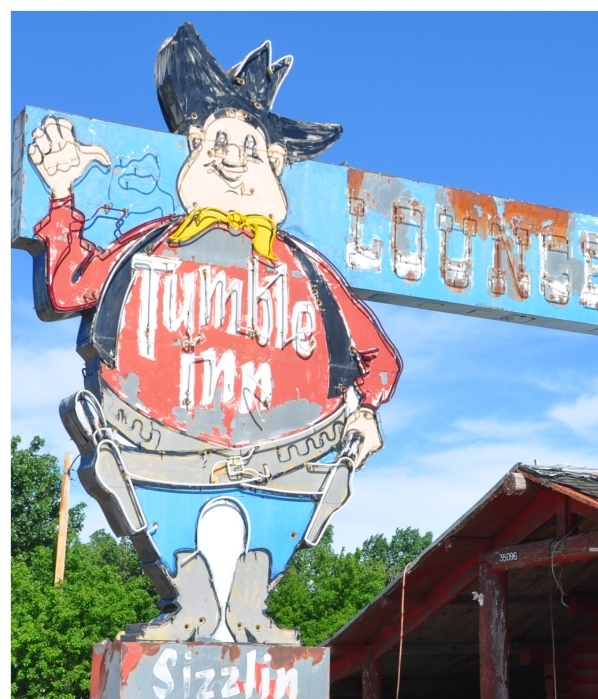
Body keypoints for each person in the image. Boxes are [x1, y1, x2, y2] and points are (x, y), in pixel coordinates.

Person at [23, 23, 401, 643]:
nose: (232, 156)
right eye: (220, 140)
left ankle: (251, 607)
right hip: (151, 442)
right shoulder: (151, 243)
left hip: (293, 458)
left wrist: (363, 408)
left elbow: (377, 356)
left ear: (275, 162)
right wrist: (62, 193)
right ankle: (190, 607)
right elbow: (68, 289)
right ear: (194, 142)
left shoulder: (306, 266)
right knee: (164, 528)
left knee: (275, 535)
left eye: (250, 147)